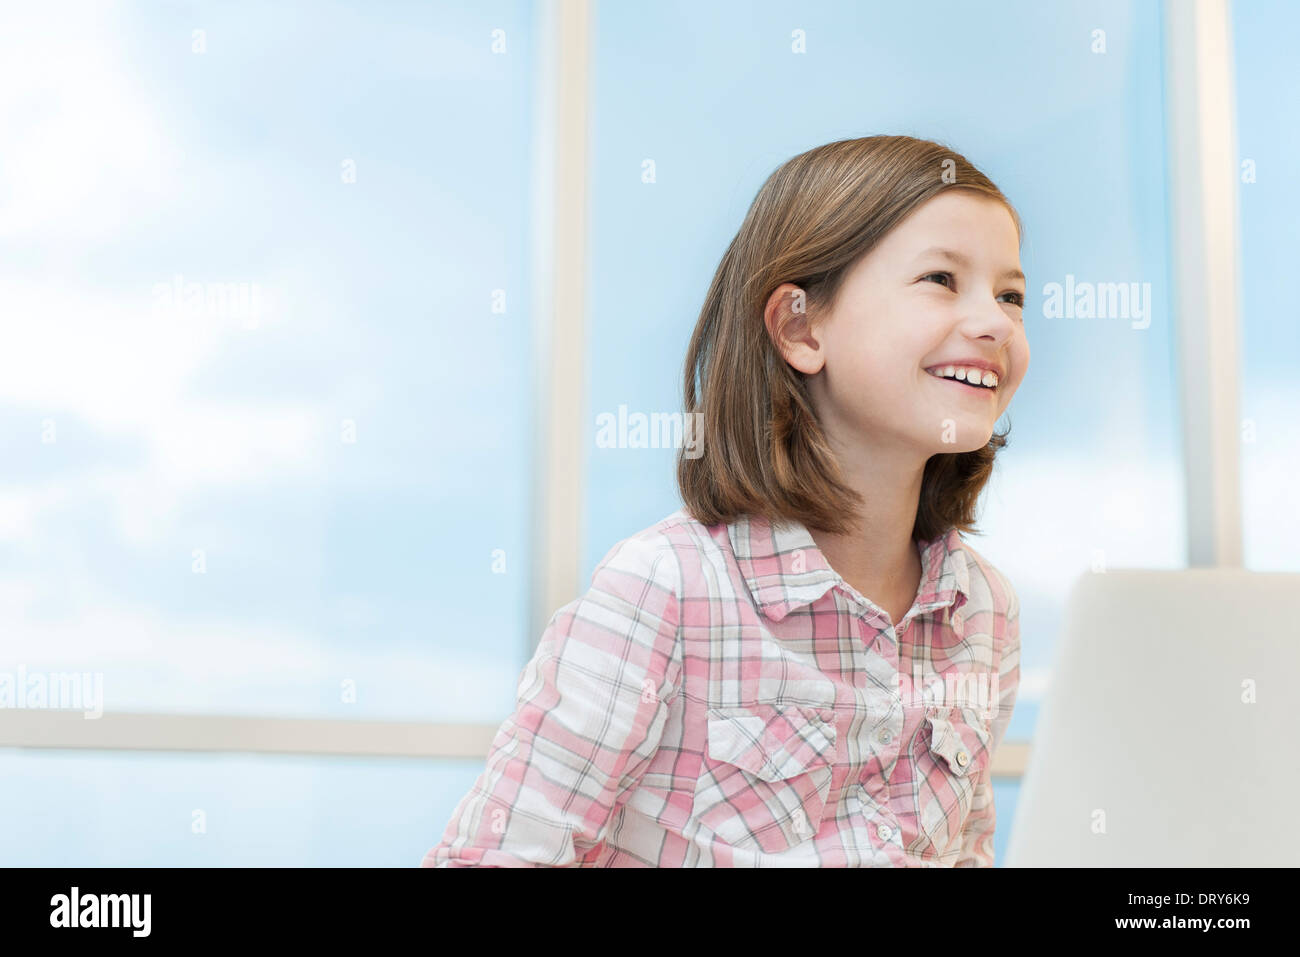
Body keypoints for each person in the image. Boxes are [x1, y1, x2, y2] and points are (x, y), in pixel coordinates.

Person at [422, 134, 1026, 867]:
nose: (995, 322)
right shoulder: (664, 588)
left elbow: (966, 852)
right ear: (801, 326)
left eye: (1010, 295)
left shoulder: (983, 611)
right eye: (940, 278)